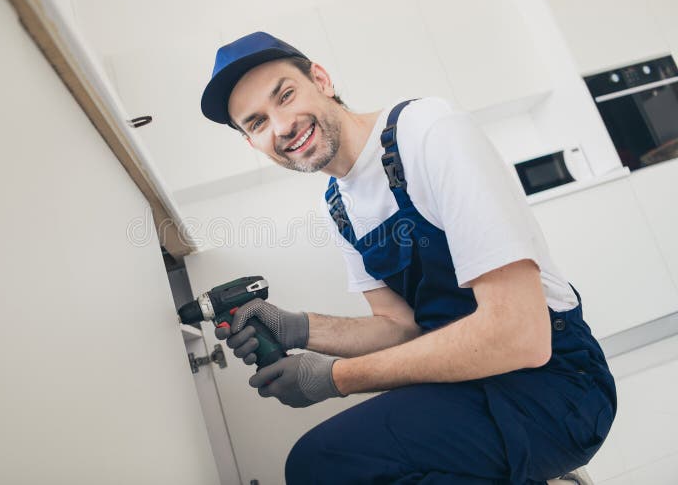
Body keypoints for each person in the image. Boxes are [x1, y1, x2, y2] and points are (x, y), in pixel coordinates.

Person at [200, 31, 616, 485]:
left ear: (320, 79)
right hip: (469, 380)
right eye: (257, 123)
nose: (281, 126)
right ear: (251, 143)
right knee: (321, 465)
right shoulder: (338, 203)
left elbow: (520, 334)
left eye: (285, 95)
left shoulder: (428, 131)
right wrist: (298, 327)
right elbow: (400, 327)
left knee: (323, 464)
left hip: (556, 385)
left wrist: (335, 378)